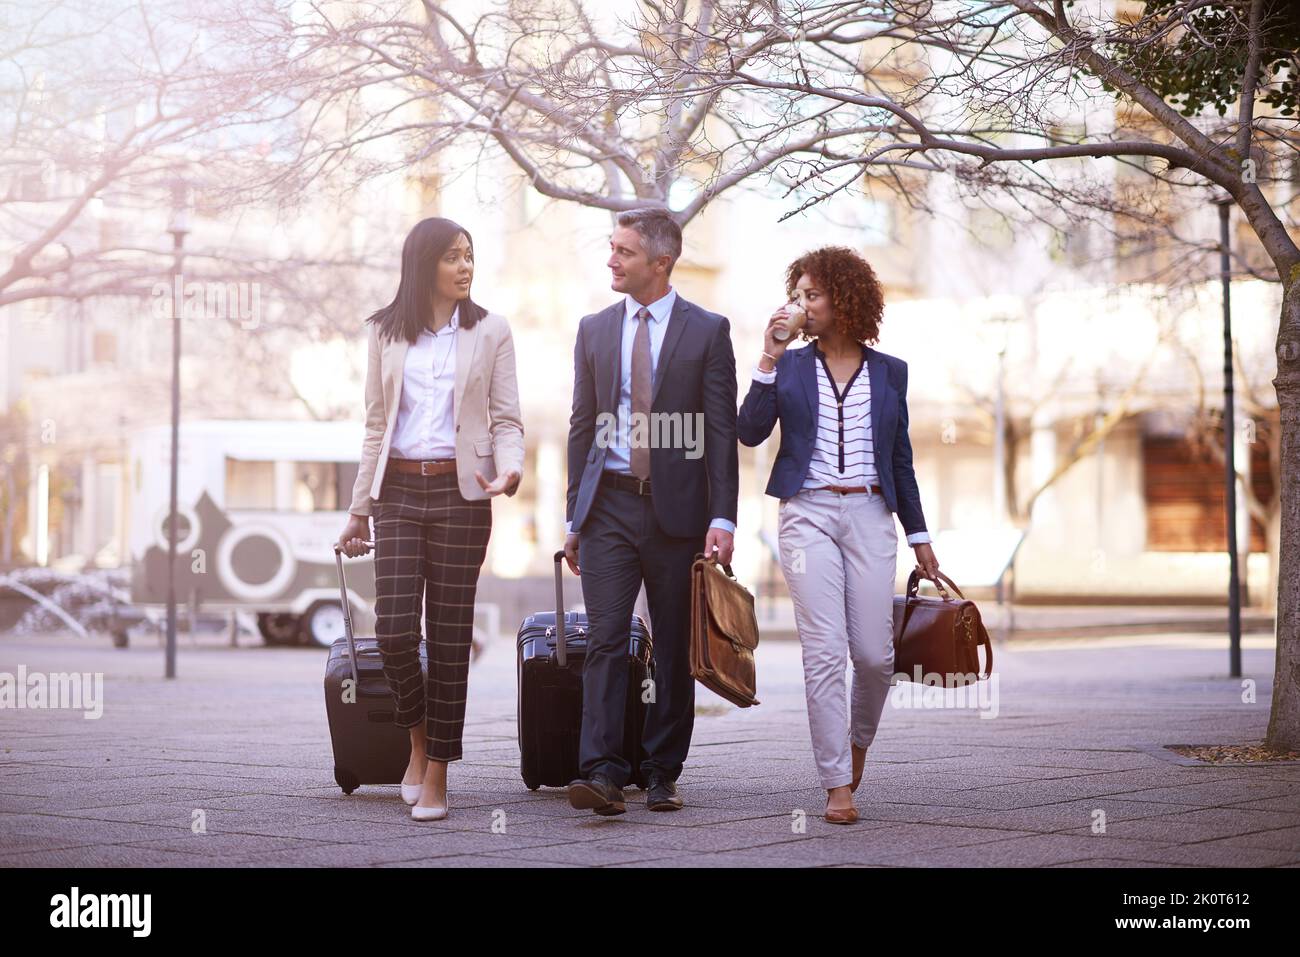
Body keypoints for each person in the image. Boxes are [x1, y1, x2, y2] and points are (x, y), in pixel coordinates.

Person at [736, 246, 940, 825]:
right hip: (807, 515)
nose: (802, 305)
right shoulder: (793, 366)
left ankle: (855, 747)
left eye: (812, 295)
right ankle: (835, 784)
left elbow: (900, 459)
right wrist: (768, 358)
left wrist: (919, 535)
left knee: (874, 658)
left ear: (845, 299)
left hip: (873, 515)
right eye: (797, 295)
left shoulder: (890, 371)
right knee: (824, 653)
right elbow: (749, 432)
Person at [336, 217, 524, 822]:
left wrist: (511, 469)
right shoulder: (385, 331)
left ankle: (438, 773)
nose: (465, 267)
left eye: (470, 255)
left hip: (463, 496)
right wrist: (357, 510)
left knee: (447, 640)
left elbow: (507, 418)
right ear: (424, 265)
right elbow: (374, 425)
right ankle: (416, 741)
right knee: (393, 633)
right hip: (397, 493)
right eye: (452, 257)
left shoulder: (491, 330)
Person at [562, 207, 739, 816]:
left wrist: (724, 518)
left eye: (624, 251)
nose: (611, 260)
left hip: (679, 516)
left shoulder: (708, 331)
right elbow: (582, 427)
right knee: (606, 639)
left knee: (672, 646)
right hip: (607, 506)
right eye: (611, 248)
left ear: (660, 263)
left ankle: (663, 770)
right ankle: (602, 772)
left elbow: (719, 433)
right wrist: (573, 520)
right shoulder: (593, 329)